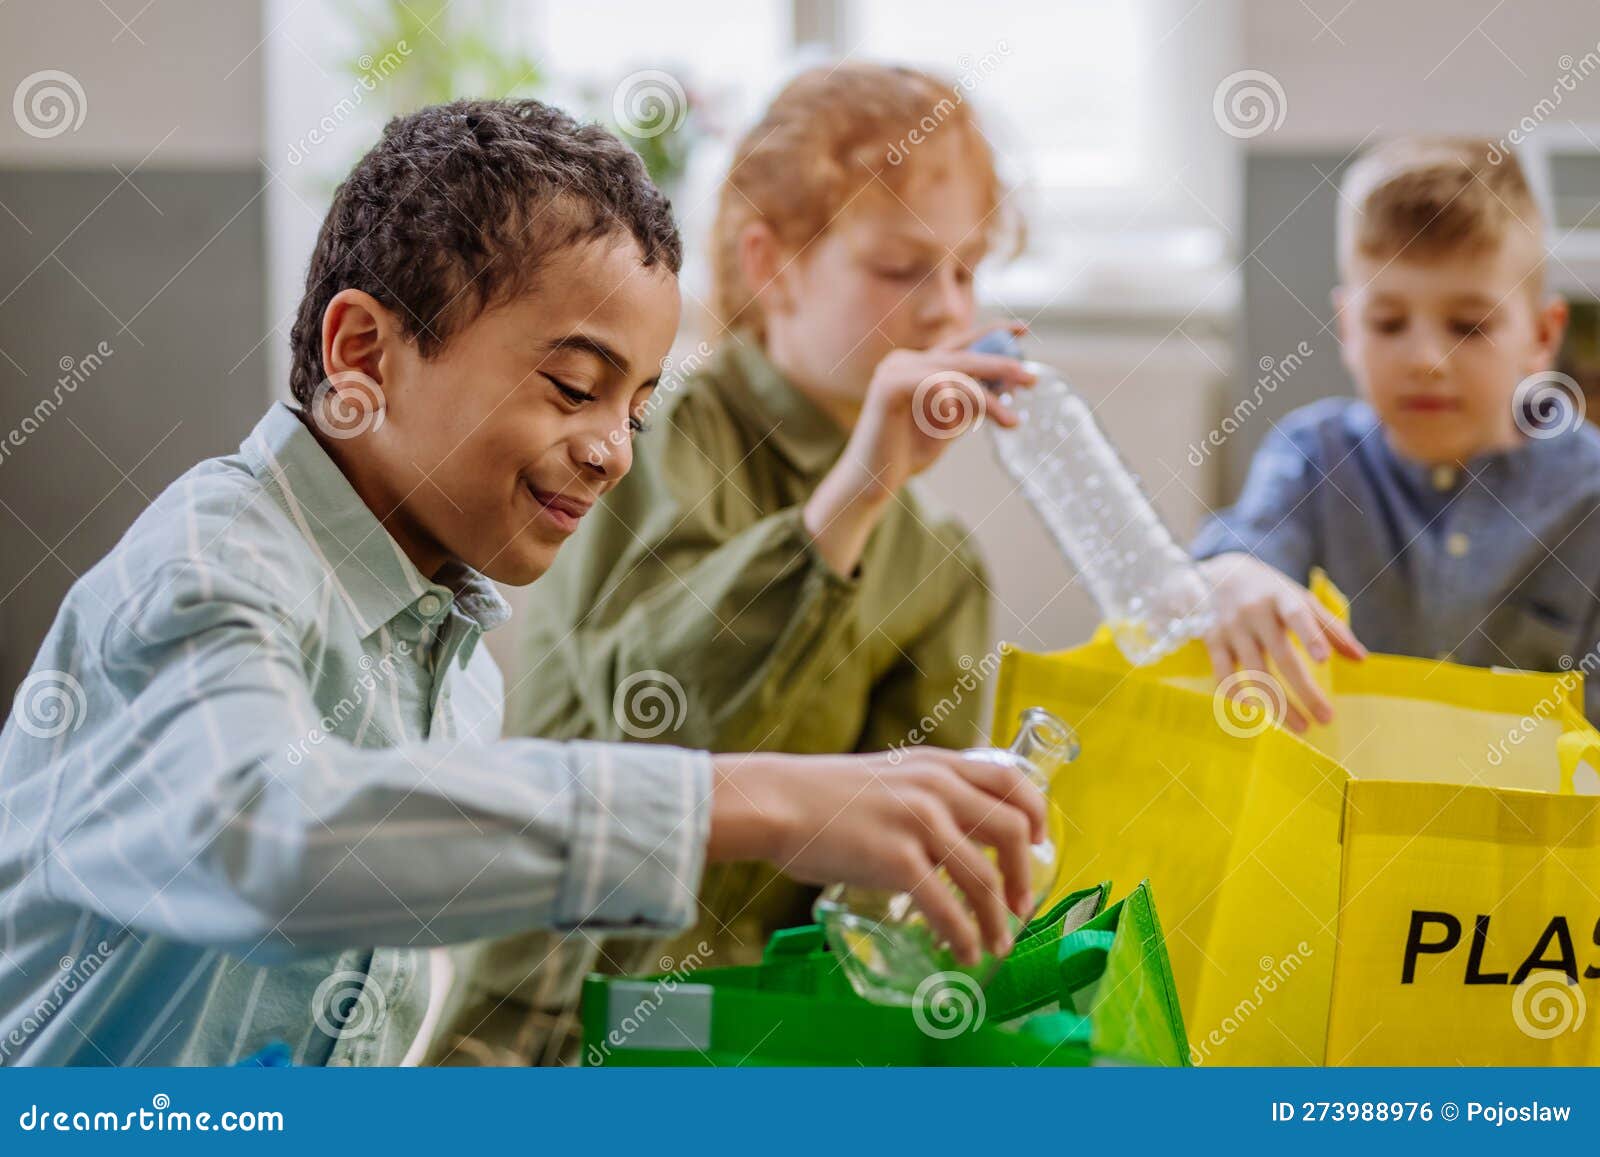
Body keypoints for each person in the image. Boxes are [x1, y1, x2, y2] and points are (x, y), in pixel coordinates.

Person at [0, 99, 1045, 1066]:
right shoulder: (209, 562)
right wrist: (747, 796)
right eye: (573, 388)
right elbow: (262, 831)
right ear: (363, 350)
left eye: (631, 410)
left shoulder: (451, 667)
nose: (613, 451)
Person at [434, 64, 1032, 1064]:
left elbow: (881, 890)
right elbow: (650, 711)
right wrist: (852, 495)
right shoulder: (654, 434)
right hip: (555, 1018)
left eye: (968, 269)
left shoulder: (936, 565)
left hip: (754, 1034)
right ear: (772, 264)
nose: (946, 308)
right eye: (901, 268)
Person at [1195, 137, 1600, 728]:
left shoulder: (1589, 494)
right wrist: (1232, 574)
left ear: (1541, 336)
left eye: (1469, 327)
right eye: (1387, 324)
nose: (1426, 360)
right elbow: (1235, 553)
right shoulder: (1312, 457)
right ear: (1347, 328)